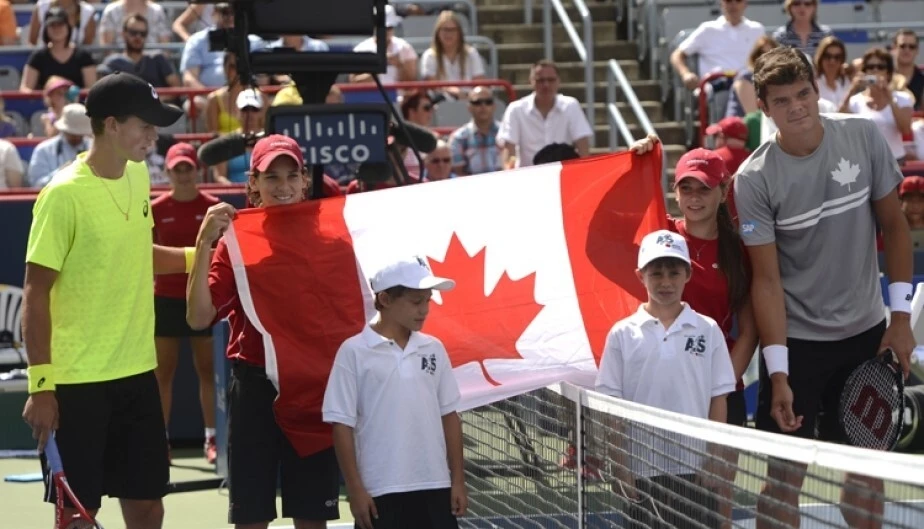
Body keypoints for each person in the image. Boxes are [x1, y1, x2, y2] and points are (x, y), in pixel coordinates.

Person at [734, 46, 915, 529]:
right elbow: (767, 282)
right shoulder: (752, 179)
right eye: (782, 100)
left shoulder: (862, 136)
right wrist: (777, 373)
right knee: (782, 483)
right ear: (764, 108)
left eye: (804, 94)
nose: (797, 107)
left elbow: (895, 229)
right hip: (798, 345)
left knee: (865, 482)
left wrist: (899, 319)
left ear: (818, 91)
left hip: (866, 336)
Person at [21, 71, 187, 529]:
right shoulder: (62, 196)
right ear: (110, 125)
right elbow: (36, 294)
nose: (153, 136)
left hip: (137, 375)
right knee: (77, 516)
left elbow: (138, 253)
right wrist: (42, 386)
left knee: (148, 507)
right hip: (76, 387)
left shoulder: (137, 177)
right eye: (145, 125)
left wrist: (203, 255)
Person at [187, 135, 342, 529]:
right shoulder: (235, 241)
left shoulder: (330, 235)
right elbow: (198, 317)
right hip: (254, 388)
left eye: (292, 175)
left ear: (305, 179)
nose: (284, 185)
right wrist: (206, 241)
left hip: (311, 387)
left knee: (312, 516)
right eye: (272, 177)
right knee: (251, 517)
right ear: (253, 182)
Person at [596, 229, 735, 529]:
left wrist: (714, 458)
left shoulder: (708, 330)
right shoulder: (622, 334)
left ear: (688, 274)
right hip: (642, 469)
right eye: (656, 273)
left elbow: (718, 399)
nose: (666, 282)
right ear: (640, 276)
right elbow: (612, 409)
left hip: (695, 470)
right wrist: (620, 466)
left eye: (674, 272)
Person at [323, 256, 467, 529]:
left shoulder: (434, 348)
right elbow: (341, 425)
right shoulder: (353, 352)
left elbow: (449, 415)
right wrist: (356, 491)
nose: (424, 309)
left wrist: (457, 481)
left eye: (427, 300)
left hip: (436, 487)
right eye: (416, 302)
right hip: (380, 491)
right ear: (386, 300)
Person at [151, 143, 220, 464]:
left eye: (187, 168)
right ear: (167, 172)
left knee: (207, 371)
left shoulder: (212, 207)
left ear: (197, 171)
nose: (182, 175)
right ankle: (159, 441)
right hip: (164, 299)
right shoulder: (154, 208)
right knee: (162, 373)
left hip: (201, 298)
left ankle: (212, 438)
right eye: (176, 169)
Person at [498, 60, 593, 168]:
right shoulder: (515, 109)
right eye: (540, 80)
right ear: (531, 81)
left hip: (562, 176)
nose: (546, 85)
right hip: (527, 178)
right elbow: (509, 150)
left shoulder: (571, 106)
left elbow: (583, 146)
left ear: (559, 81)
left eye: (551, 80)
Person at [20, 7, 96, 92]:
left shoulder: (83, 56)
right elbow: (25, 88)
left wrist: (71, 96)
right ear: (46, 29)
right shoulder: (38, 57)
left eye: (60, 24)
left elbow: (91, 89)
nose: (56, 29)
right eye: (52, 25)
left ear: (68, 27)